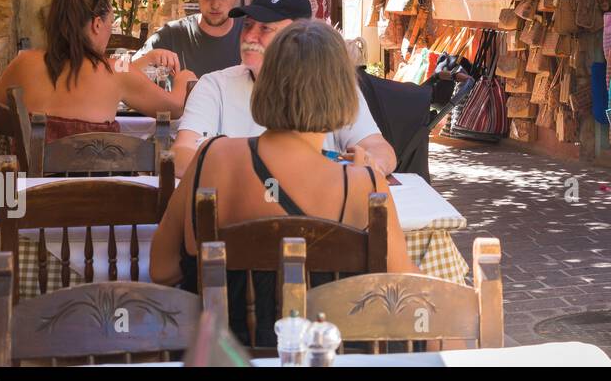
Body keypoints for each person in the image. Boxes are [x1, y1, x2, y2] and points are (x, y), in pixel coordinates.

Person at [150, 20, 416, 345]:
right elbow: (405, 288)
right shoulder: (363, 185)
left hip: (225, 354)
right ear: (343, 92)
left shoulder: (211, 158)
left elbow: (161, 270)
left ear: (267, 83)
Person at [170, 0, 396, 176]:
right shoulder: (214, 86)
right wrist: (256, 176)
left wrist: (371, 165)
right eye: (247, 25)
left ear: (299, 36)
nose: (249, 36)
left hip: (316, 211)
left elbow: (378, 148)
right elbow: (181, 155)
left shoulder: (329, 86)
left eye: (265, 28)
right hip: (243, 211)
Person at [0, 0, 195, 141]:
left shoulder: (24, 63)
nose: (109, 31)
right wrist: (183, 79)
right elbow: (174, 109)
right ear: (97, 24)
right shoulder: (116, 73)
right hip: (97, 192)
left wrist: (148, 58)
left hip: (31, 190)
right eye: (110, 24)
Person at [132, 0, 242, 78]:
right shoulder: (172, 35)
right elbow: (121, 70)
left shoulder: (251, 35)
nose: (215, 5)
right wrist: (149, 58)